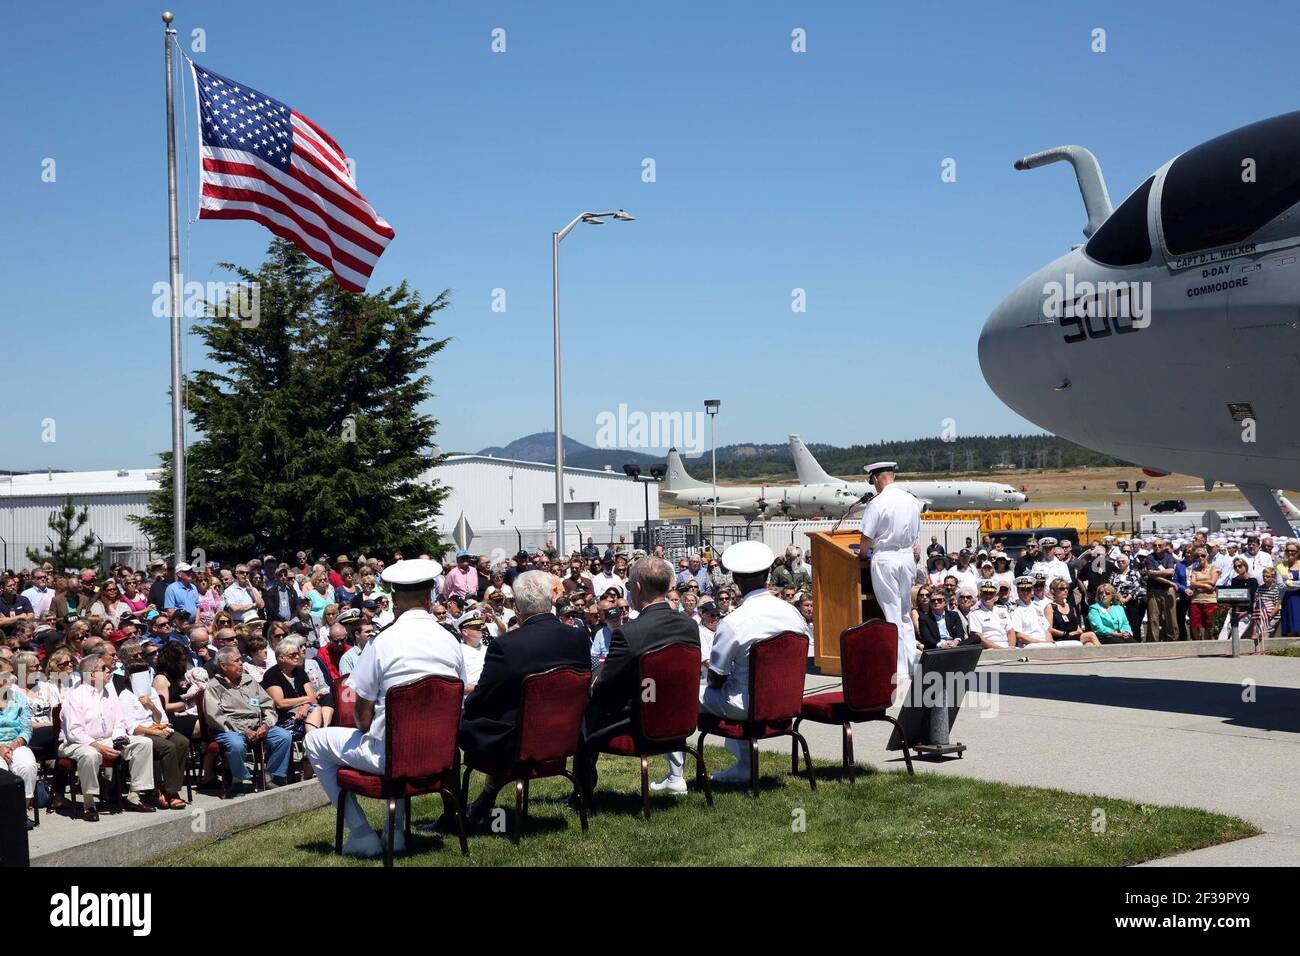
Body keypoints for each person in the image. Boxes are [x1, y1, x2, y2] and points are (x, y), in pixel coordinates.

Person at [305, 559, 465, 858]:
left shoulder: (383, 642)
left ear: (394, 600)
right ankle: (397, 831)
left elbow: (362, 715)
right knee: (401, 732)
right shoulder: (450, 640)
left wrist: (369, 728)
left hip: (391, 756)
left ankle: (362, 832)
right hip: (440, 754)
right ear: (430, 597)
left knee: (315, 740)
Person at [461, 570, 589, 822]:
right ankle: (485, 799)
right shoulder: (578, 637)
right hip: (567, 735)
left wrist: (468, 710)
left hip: (517, 740)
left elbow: (483, 696)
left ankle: (455, 814)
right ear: (550, 601)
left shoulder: (507, 645)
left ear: (517, 607)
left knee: (467, 723)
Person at [582, 557, 699, 795]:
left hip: (639, 726)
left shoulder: (629, 633)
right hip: (681, 722)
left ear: (637, 588)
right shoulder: (689, 626)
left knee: (584, 715)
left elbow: (605, 689)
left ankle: (581, 794)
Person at [699, 541, 808, 784]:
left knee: (686, 694)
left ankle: (675, 777)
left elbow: (717, 676)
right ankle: (744, 765)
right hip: (788, 701)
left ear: (736, 580)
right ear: (768, 574)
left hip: (748, 706)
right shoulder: (792, 613)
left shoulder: (733, 622)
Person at [59, 653, 158, 820]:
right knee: (90, 754)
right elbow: (74, 732)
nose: (109, 670)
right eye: (103, 668)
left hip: (107, 739)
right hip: (77, 743)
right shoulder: (75, 696)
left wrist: (119, 740)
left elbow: (120, 721)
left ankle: (134, 796)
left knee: (143, 743)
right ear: (91, 674)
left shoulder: (109, 692)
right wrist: (98, 746)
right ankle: (89, 804)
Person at [858, 461, 923, 680]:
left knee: (892, 613)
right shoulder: (912, 500)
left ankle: (899, 669)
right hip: (906, 557)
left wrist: (862, 554)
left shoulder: (878, 502)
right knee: (905, 612)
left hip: (886, 557)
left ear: (876, 478)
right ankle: (912, 664)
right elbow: (916, 532)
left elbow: (866, 537)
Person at [204, 645, 293, 792]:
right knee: (236, 744)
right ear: (223, 666)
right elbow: (215, 717)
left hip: (257, 724)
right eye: (236, 661)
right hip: (229, 728)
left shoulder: (248, 680)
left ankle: (269, 776)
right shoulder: (214, 686)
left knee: (284, 736)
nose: (241, 663)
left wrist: (266, 724)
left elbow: (267, 704)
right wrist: (244, 730)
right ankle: (241, 778)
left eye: (241, 659)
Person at [117, 659, 190, 809]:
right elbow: (131, 726)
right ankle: (172, 792)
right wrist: (153, 732)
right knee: (168, 747)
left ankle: (167, 786)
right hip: (142, 733)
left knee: (182, 742)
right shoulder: (125, 696)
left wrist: (151, 705)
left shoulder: (153, 692)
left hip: (158, 727)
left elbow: (161, 718)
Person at [0, 671, 37, 827]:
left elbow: (27, 728)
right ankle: (4, 815)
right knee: (1, 770)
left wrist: (13, 745)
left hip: (16, 743)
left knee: (27, 765)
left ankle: (21, 811)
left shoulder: (19, 698)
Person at [1045, 578, 1099, 646]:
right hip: (1061, 637)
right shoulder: (1050, 607)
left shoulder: (1071, 607)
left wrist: (1077, 631)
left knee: (1089, 644)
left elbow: (1078, 628)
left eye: (1067, 588)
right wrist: (1065, 634)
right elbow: (1049, 629)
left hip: (1074, 636)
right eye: (1062, 588)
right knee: (1091, 635)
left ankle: (1102, 655)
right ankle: (1105, 655)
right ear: (1054, 591)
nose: (1065, 590)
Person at [1144, 538, 1179, 642]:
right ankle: (1154, 641)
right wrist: (1169, 581)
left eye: (1159, 545)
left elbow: (1171, 571)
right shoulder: (1150, 557)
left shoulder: (1169, 556)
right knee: (1153, 618)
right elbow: (1151, 575)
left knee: (1171, 617)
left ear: (1164, 546)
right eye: (1155, 546)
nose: (1157, 548)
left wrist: (1154, 572)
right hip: (1154, 590)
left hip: (1168, 590)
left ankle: (1173, 639)